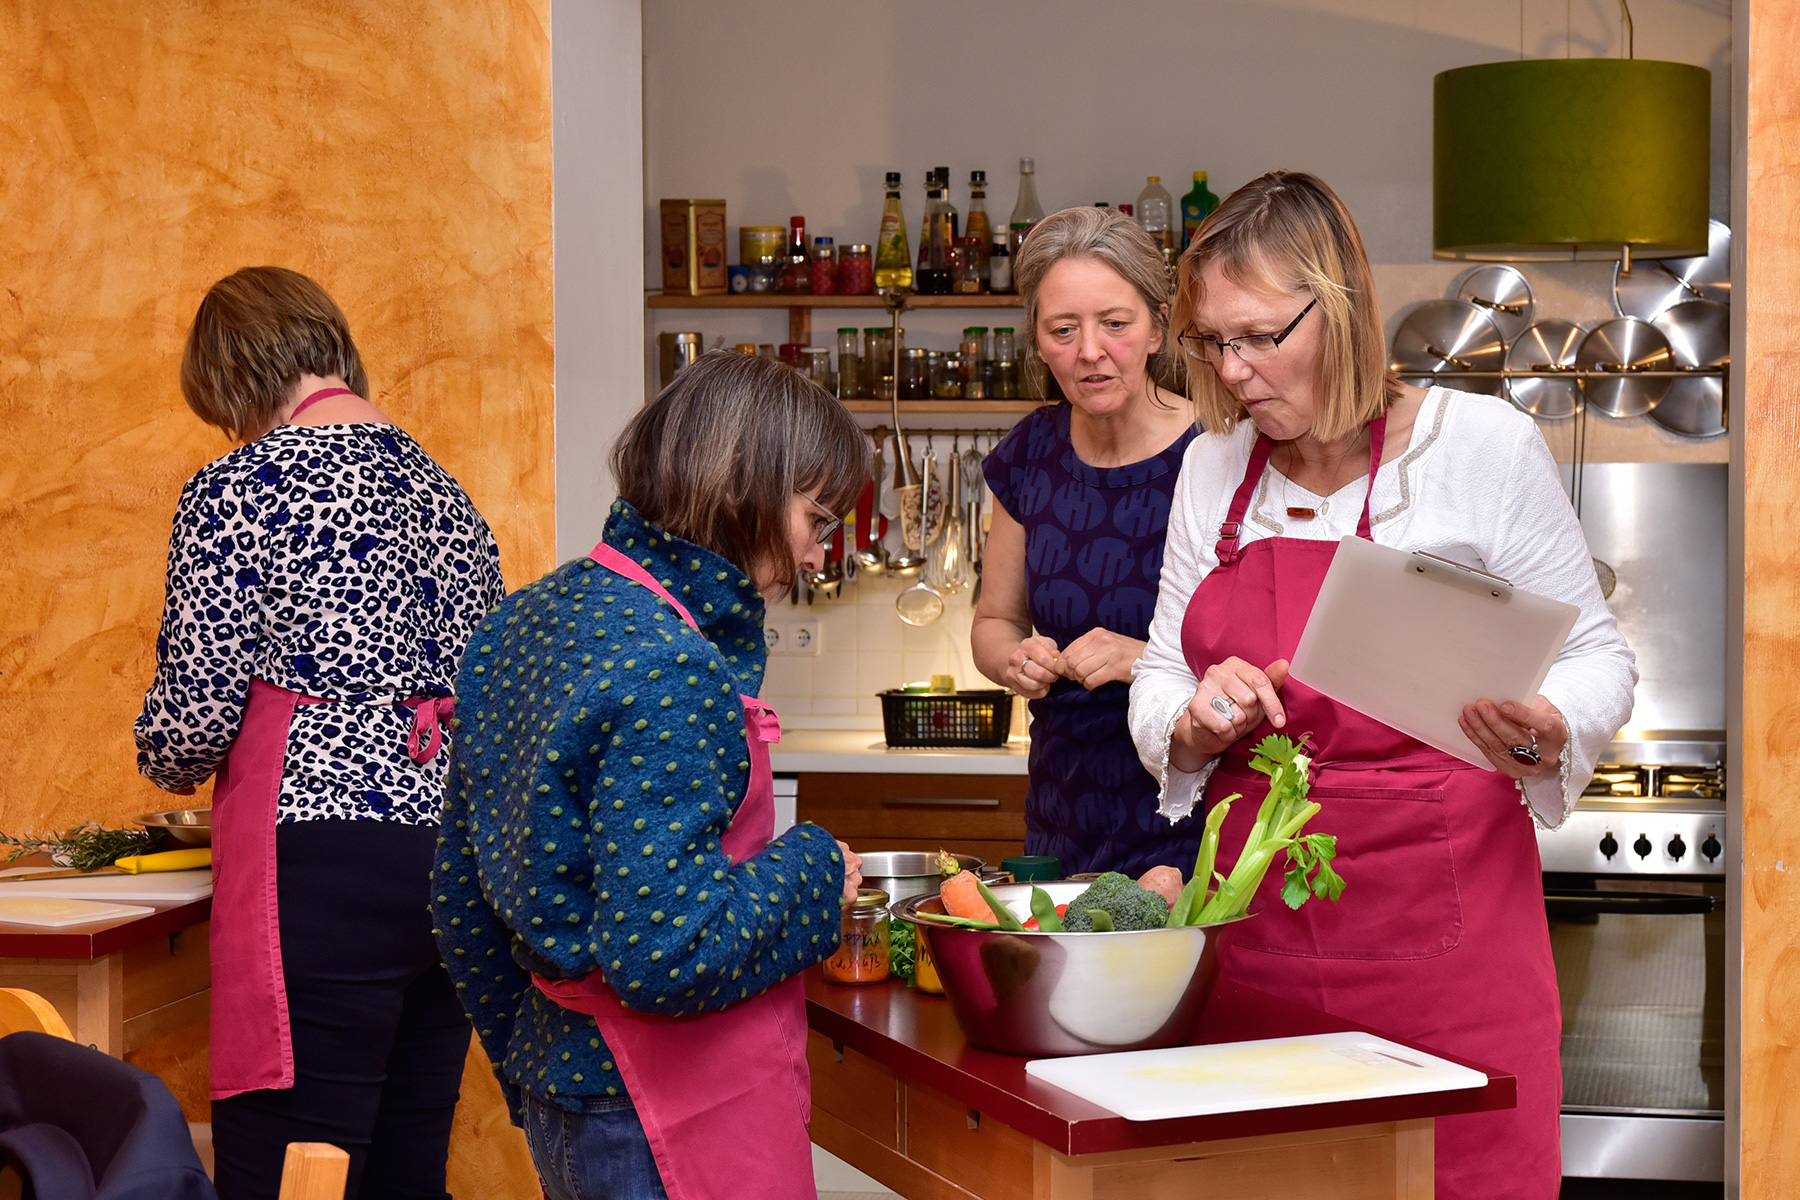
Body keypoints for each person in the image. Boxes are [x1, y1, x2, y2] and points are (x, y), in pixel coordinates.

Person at [1128, 172, 1636, 1199]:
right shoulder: (1213, 464)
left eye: (1262, 336)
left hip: (1452, 965)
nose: (1234, 370)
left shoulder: (1479, 449)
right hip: (1258, 946)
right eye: (1211, 343)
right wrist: (1190, 725)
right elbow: (1160, 669)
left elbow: (1598, 658)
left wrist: (1550, 724)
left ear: (1343, 307)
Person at [431, 351, 868, 1200]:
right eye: (818, 518)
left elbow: (459, 904)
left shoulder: (529, 618)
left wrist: (530, 1069)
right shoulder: (673, 667)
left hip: (567, 1084)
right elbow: (666, 952)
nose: (821, 554)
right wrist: (817, 868)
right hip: (658, 1109)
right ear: (744, 489)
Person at [135, 266, 506, 1200]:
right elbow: (487, 682)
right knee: (406, 1170)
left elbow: (196, 708)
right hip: (450, 860)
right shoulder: (443, 489)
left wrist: (161, 757)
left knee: (289, 1170)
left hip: (321, 862)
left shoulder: (238, 487)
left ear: (232, 381)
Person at [972, 206, 1200, 875]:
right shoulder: (1030, 454)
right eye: (1063, 330)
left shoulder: (1216, 454)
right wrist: (1014, 661)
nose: (1090, 351)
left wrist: (1150, 661)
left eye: (1115, 324)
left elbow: (1267, 651)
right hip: (1061, 811)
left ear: (1159, 326)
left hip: (1188, 809)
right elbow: (995, 619)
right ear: (1039, 342)